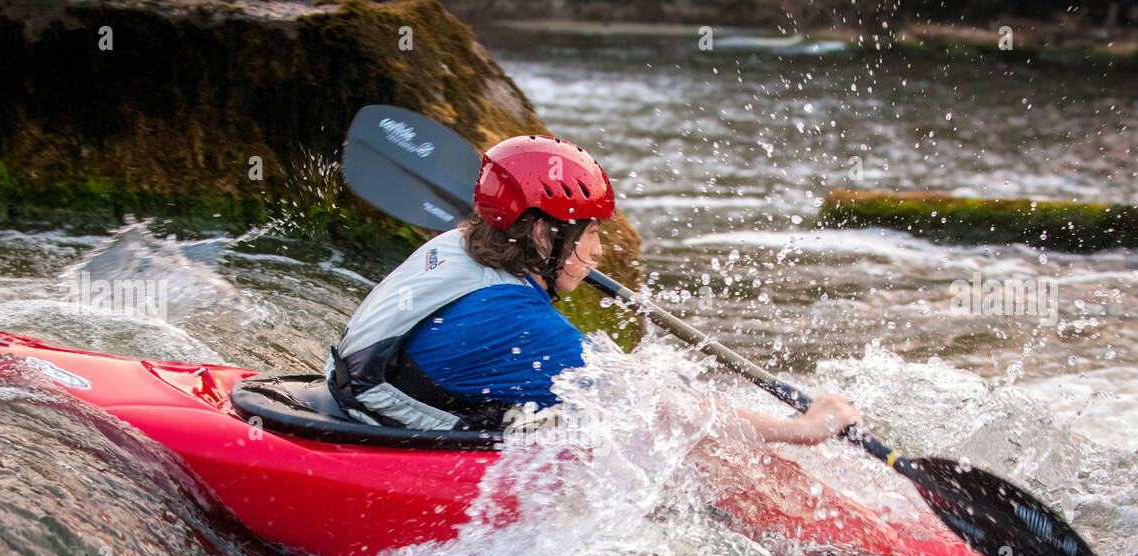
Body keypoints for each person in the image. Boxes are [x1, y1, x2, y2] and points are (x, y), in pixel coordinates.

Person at [328, 134, 861, 443]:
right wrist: (802, 429)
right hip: (387, 420)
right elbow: (664, 410)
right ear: (542, 233)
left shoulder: (460, 243)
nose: (600, 253)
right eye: (590, 235)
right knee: (654, 436)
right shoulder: (515, 321)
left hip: (366, 390)